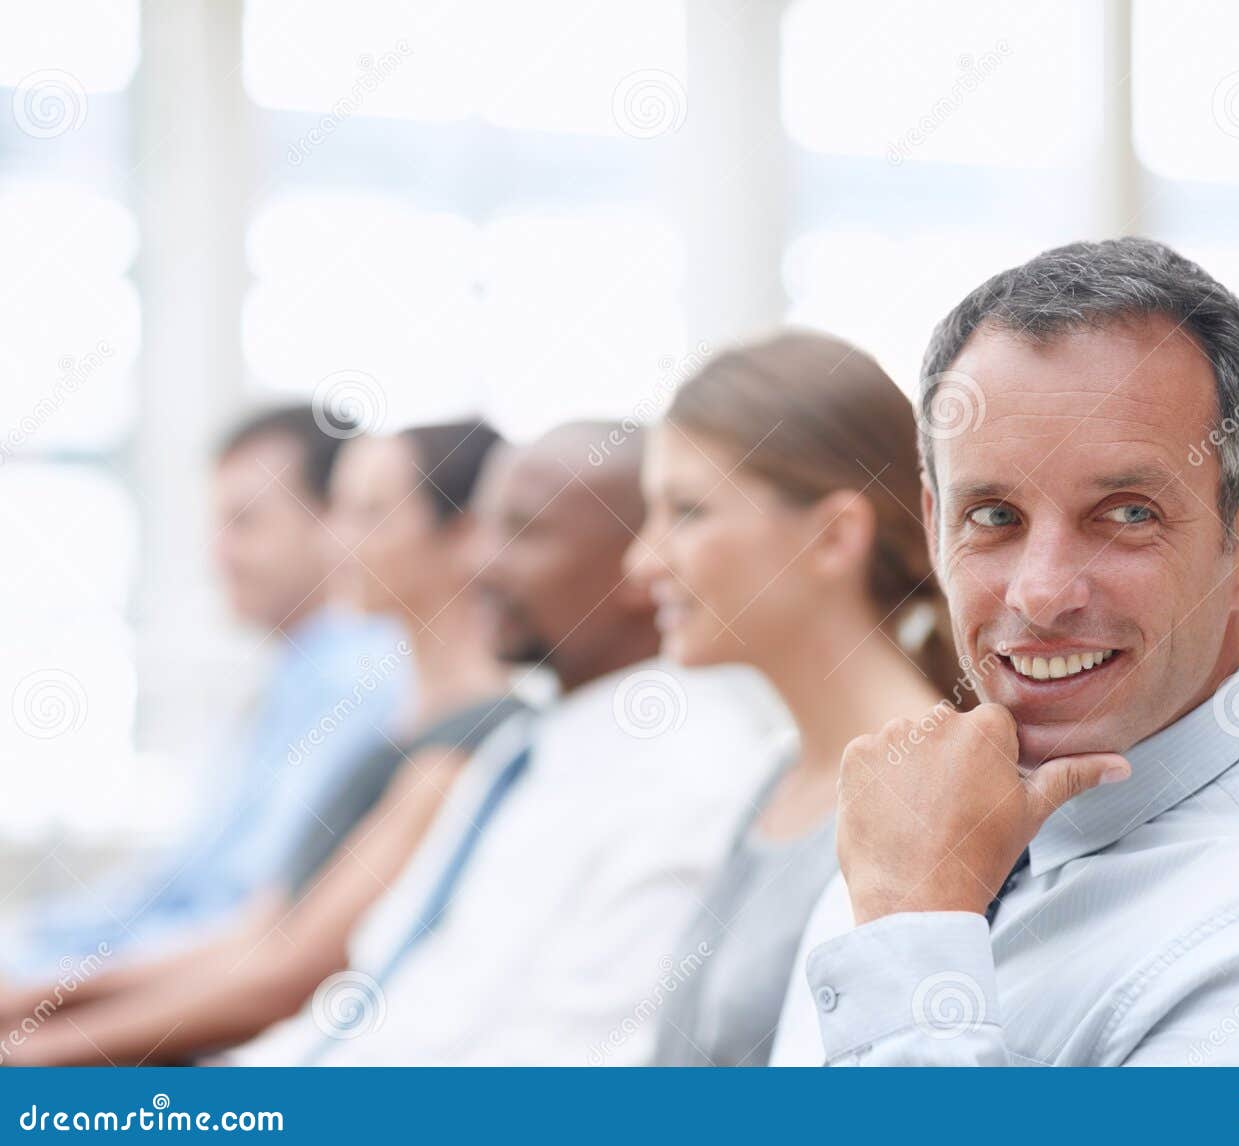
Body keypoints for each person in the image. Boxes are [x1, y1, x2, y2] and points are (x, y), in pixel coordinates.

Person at [770, 237, 1239, 1066]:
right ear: (933, 525)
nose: (1041, 593)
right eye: (993, 516)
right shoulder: (913, 827)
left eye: (1128, 514)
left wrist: (915, 935)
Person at [229, 422, 784, 1065]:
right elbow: (378, 991)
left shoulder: (688, 776)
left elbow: (564, 1061)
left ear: (642, 564)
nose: (480, 563)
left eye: (526, 532)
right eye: (486, 528)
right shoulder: (518, 749)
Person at [1, 420, 517, 1064]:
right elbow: (260, 934)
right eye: (338, 512)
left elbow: (288, 972)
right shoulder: (401, 728)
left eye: (371, 514)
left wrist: (30, 1048)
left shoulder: (462, 738)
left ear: (465, 535)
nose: (338, 542)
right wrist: (36, 1007)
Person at [627, 331, 957, 1066]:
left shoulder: (931, 797)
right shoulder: (780, 780)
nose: (642, 559)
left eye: (688, 512)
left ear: (836, 535)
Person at [0, 404, 411, 978]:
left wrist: (43, 980)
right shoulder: (296, 675)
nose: (219, 554)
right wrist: (30, 950)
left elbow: (241, 916)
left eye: (244, 522)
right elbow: (177, 884)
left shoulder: (361, 683)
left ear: (332, 521)